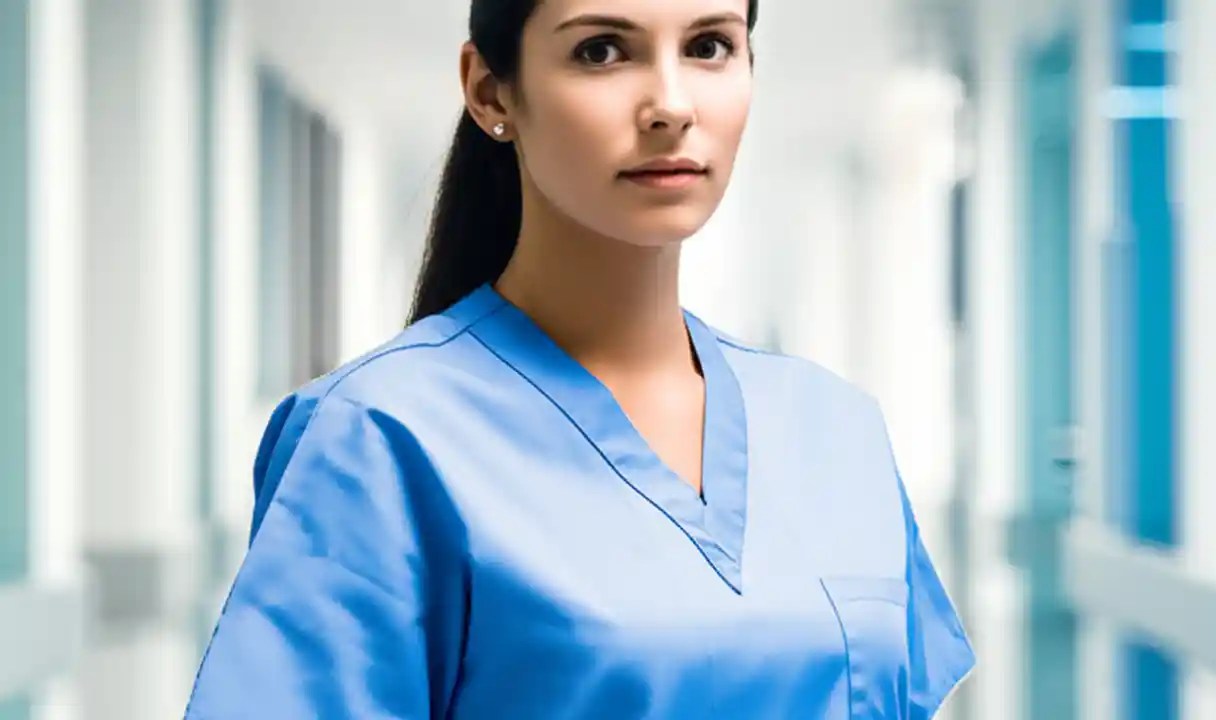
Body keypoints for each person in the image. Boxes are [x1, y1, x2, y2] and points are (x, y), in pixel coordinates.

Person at [184, 0, 975, 717]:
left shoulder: (837, 427)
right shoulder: (379, 437)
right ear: (492, 93)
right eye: (602, 51)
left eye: (709, 46)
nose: (671, 104)